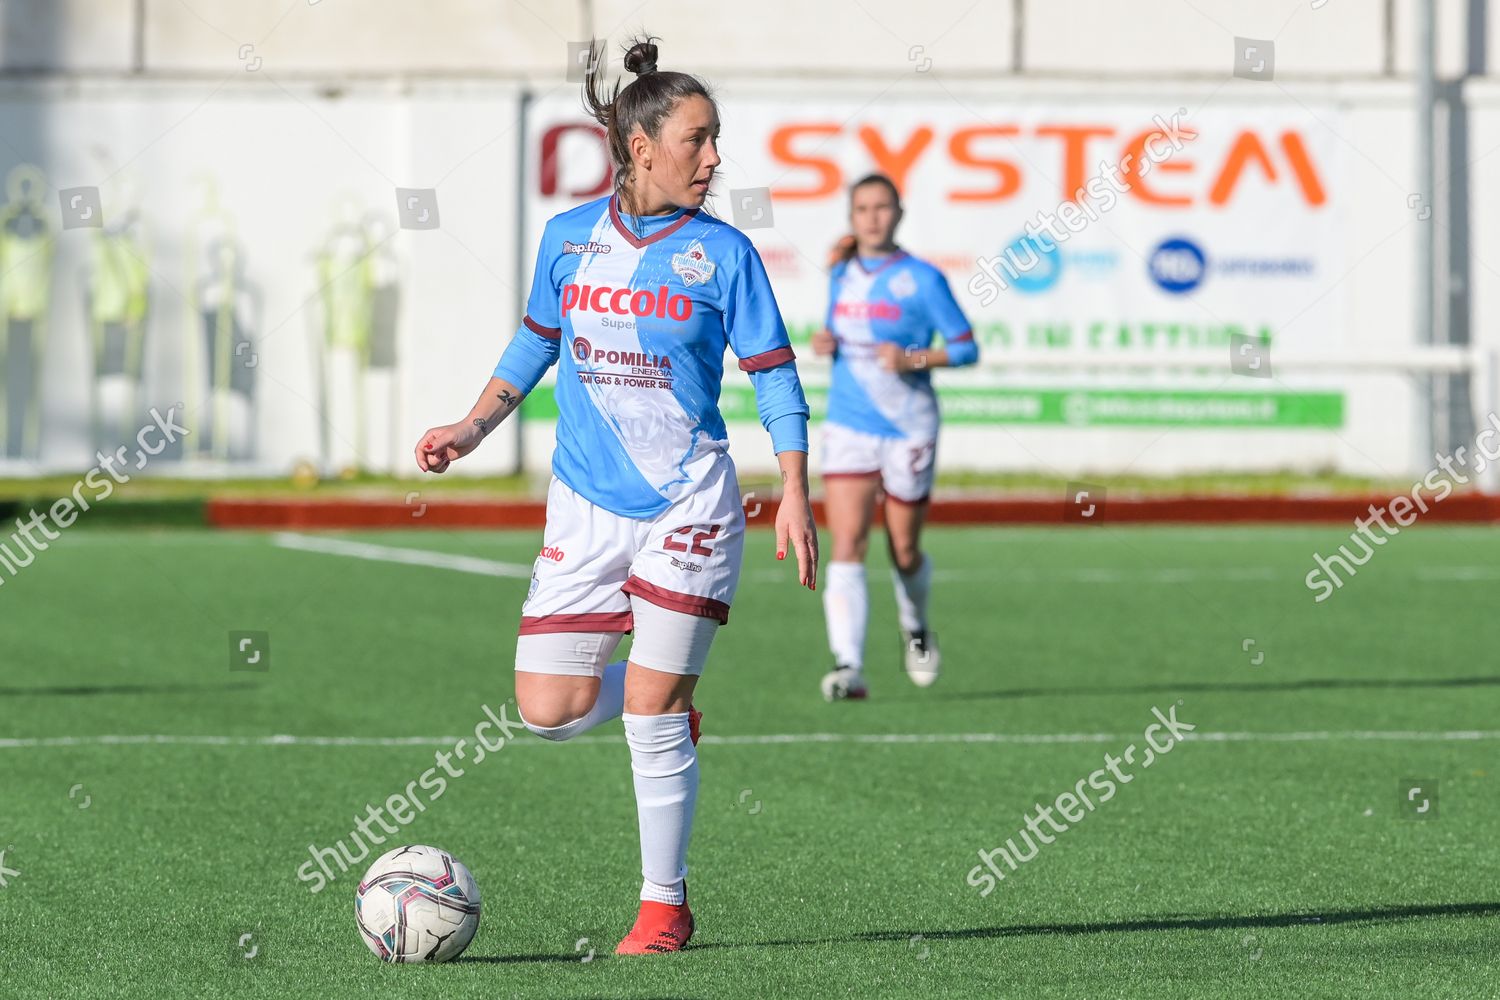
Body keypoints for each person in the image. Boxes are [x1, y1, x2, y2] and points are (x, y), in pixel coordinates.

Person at [413, 36, 816, 955]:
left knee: (646, 717)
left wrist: (794, 492)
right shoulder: (568, 239)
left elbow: (777, 380)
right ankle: (663, 696)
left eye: (716, 140)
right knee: (546, 713)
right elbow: (533, 345)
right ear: (641, 148)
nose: (714, 159)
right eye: (698, 140)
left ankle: (663, 907)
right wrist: (472, 428)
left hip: (690, 507)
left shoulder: (725, 254)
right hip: (584, 505)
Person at [812, 174, 977, 701]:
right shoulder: (840, 272)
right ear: (851, 215)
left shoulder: (923, 279)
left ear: (899, 213)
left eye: (882, 207)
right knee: (848, 543)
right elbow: (839, 333)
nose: (872, 217)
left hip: (909, 425)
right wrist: (827, 341)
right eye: (862, 208)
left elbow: (966, 347)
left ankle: (916, 627)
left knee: (903, 548)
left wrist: (914, 358)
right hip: (849, 423)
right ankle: (848, 665)